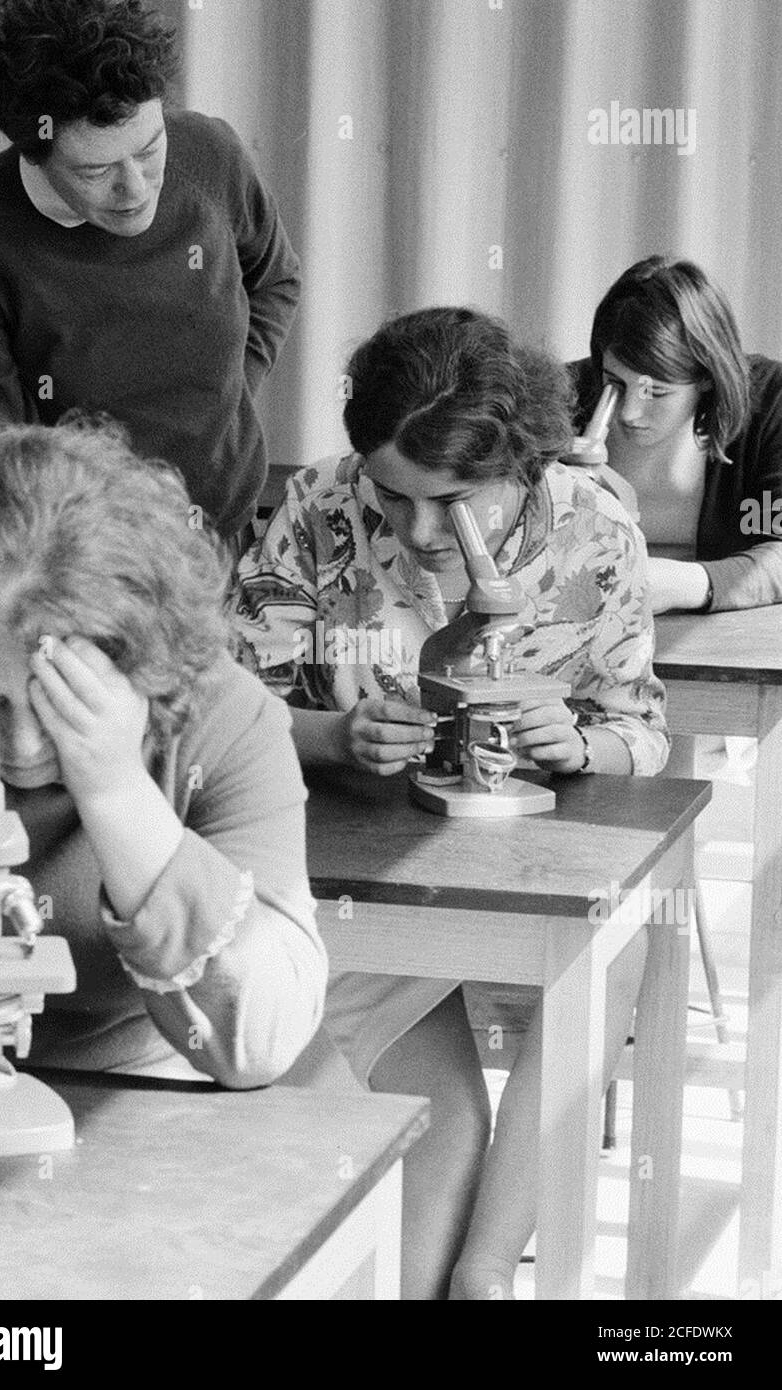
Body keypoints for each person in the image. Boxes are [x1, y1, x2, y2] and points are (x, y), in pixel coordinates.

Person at [236, 306, 670, 1298]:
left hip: (530, 879)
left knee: (617, 950)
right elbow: (221, 708)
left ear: (519, 458)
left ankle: (484, 1275)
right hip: (365, 889)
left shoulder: (594, 529)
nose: (421, 531)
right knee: (445, 1127)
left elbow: (640, 725)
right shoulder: (322, 508)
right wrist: (326, 737)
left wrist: (582, 740)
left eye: (454, 500)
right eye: (395, 496)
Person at [0, 419, 327, 1088]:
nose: (17, 748)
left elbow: (258, 1043)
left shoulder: (226, 719)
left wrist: (114, 789)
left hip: (139, 1090)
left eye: (59, 702)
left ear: (146, 663)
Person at [0, 0, 301, 544]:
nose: (136, 190)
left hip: (229, 533)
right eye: (95, 169)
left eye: (149, 148)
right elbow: (0, 465)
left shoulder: (213, 154)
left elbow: (276, 280)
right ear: (34, 148)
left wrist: (228, 392)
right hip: (89, 562)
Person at [570, 255, 782, 613]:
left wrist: (684, 584)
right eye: (615, 383)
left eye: (657, 392)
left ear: (706, 377)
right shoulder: (563, 399)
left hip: (724, 642)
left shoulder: (769, 404)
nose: (629, 413)